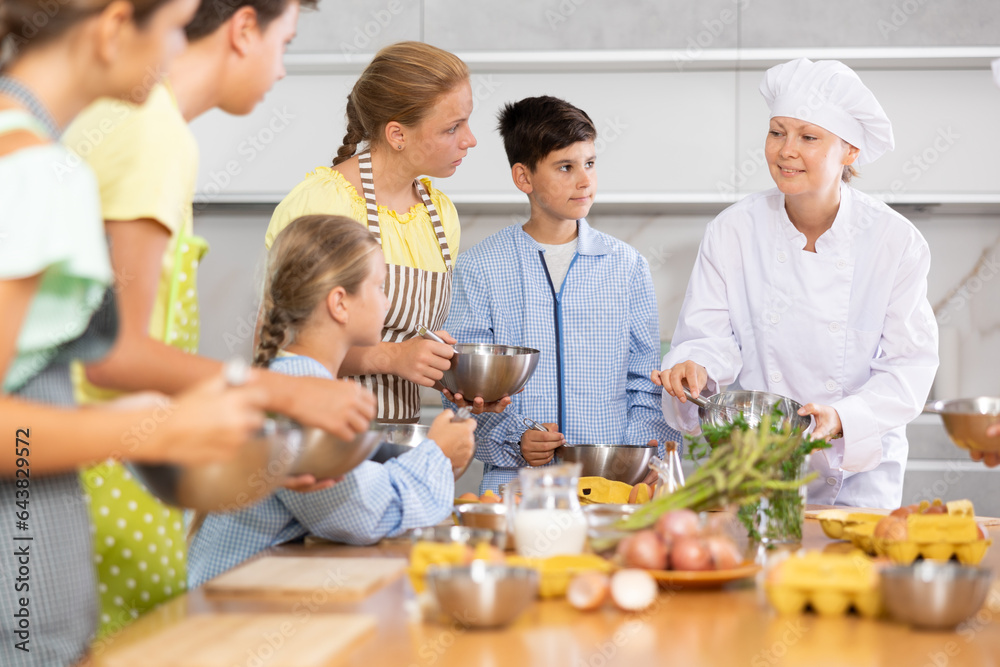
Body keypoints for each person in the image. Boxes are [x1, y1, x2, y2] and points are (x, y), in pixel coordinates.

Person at [61, 0, 376, 639]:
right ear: (242, 30)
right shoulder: (152, 132)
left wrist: (256, 453)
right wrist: (282, 391)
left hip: (104, 467)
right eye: (284, 42)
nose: (282, 69)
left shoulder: (127, 123)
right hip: (96, 493)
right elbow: (112, 355)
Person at [0, 0, 270, 664]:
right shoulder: (36, 174)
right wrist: (150, 428)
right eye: (177, 26)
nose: (181, 48)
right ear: (115, 25)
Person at [657, 58, 939, 509]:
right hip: (757, 469)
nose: (786, 150)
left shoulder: (894, 241)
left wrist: (844, 416)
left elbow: (910, 366)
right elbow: (710, 338)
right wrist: (694, 366)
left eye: (808, 137)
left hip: (860, 477)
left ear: (850, 151)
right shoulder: (733, 231)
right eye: (776, 132)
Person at [187, 215, 475, 586]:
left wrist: (438, 459)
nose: (387, 302)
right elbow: (363, 513)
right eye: (380, 286)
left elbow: (358, 487)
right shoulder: (300, 393)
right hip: (229, 616)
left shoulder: (298, 381)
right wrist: (437, 454)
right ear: (339, 303)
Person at [443, 96, 680, 493]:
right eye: (565, 168)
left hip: (613, 488)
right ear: (524, 178)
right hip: (514, 489)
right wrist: (516, 438)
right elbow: (463, 395)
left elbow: (646, 382)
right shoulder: (479, 268)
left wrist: (636, 452)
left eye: (589, 163)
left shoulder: (627, 266)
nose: (584, 180)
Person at [265, 41, 506, 423]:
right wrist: (392, 358)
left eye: (467, 121)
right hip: (319, 440)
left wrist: (452, 378)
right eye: (452, 127)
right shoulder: (324, 205)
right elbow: (281, 349)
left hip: (397, 443)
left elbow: (416, 345)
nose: (470, 139)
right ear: (397, 135)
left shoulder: (439, 214)